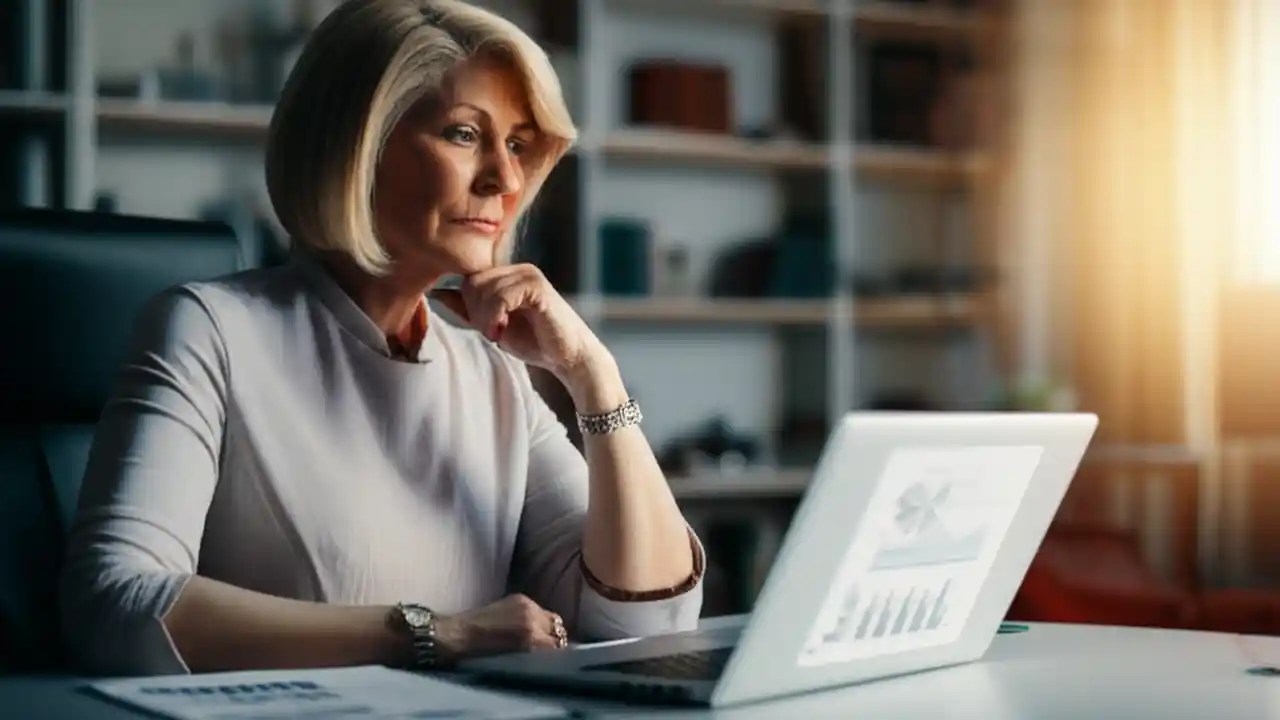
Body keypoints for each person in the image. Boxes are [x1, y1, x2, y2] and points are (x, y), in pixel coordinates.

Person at [60, 0, 702, 675]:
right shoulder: (209, 330)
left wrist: (591, 373)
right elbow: (115, 605)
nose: (506, 179)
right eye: (463, 134)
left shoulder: (492, 372)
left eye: (516, 145)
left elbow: (642, 619)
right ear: (358, 144)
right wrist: (434, 634)